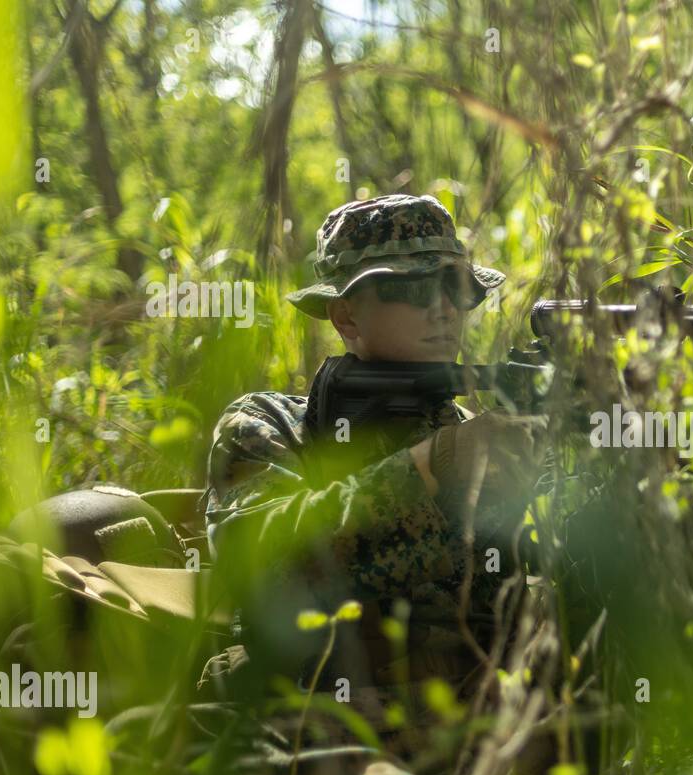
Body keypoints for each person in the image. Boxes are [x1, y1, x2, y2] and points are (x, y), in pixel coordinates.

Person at [199, 194, 543, 694]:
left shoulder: (478, 430)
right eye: (415, 289)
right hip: (322, 729)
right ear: (346, 318)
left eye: (457, 287)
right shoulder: (268, 425)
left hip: (476, 725)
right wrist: (430, 467)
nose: (445, 309)